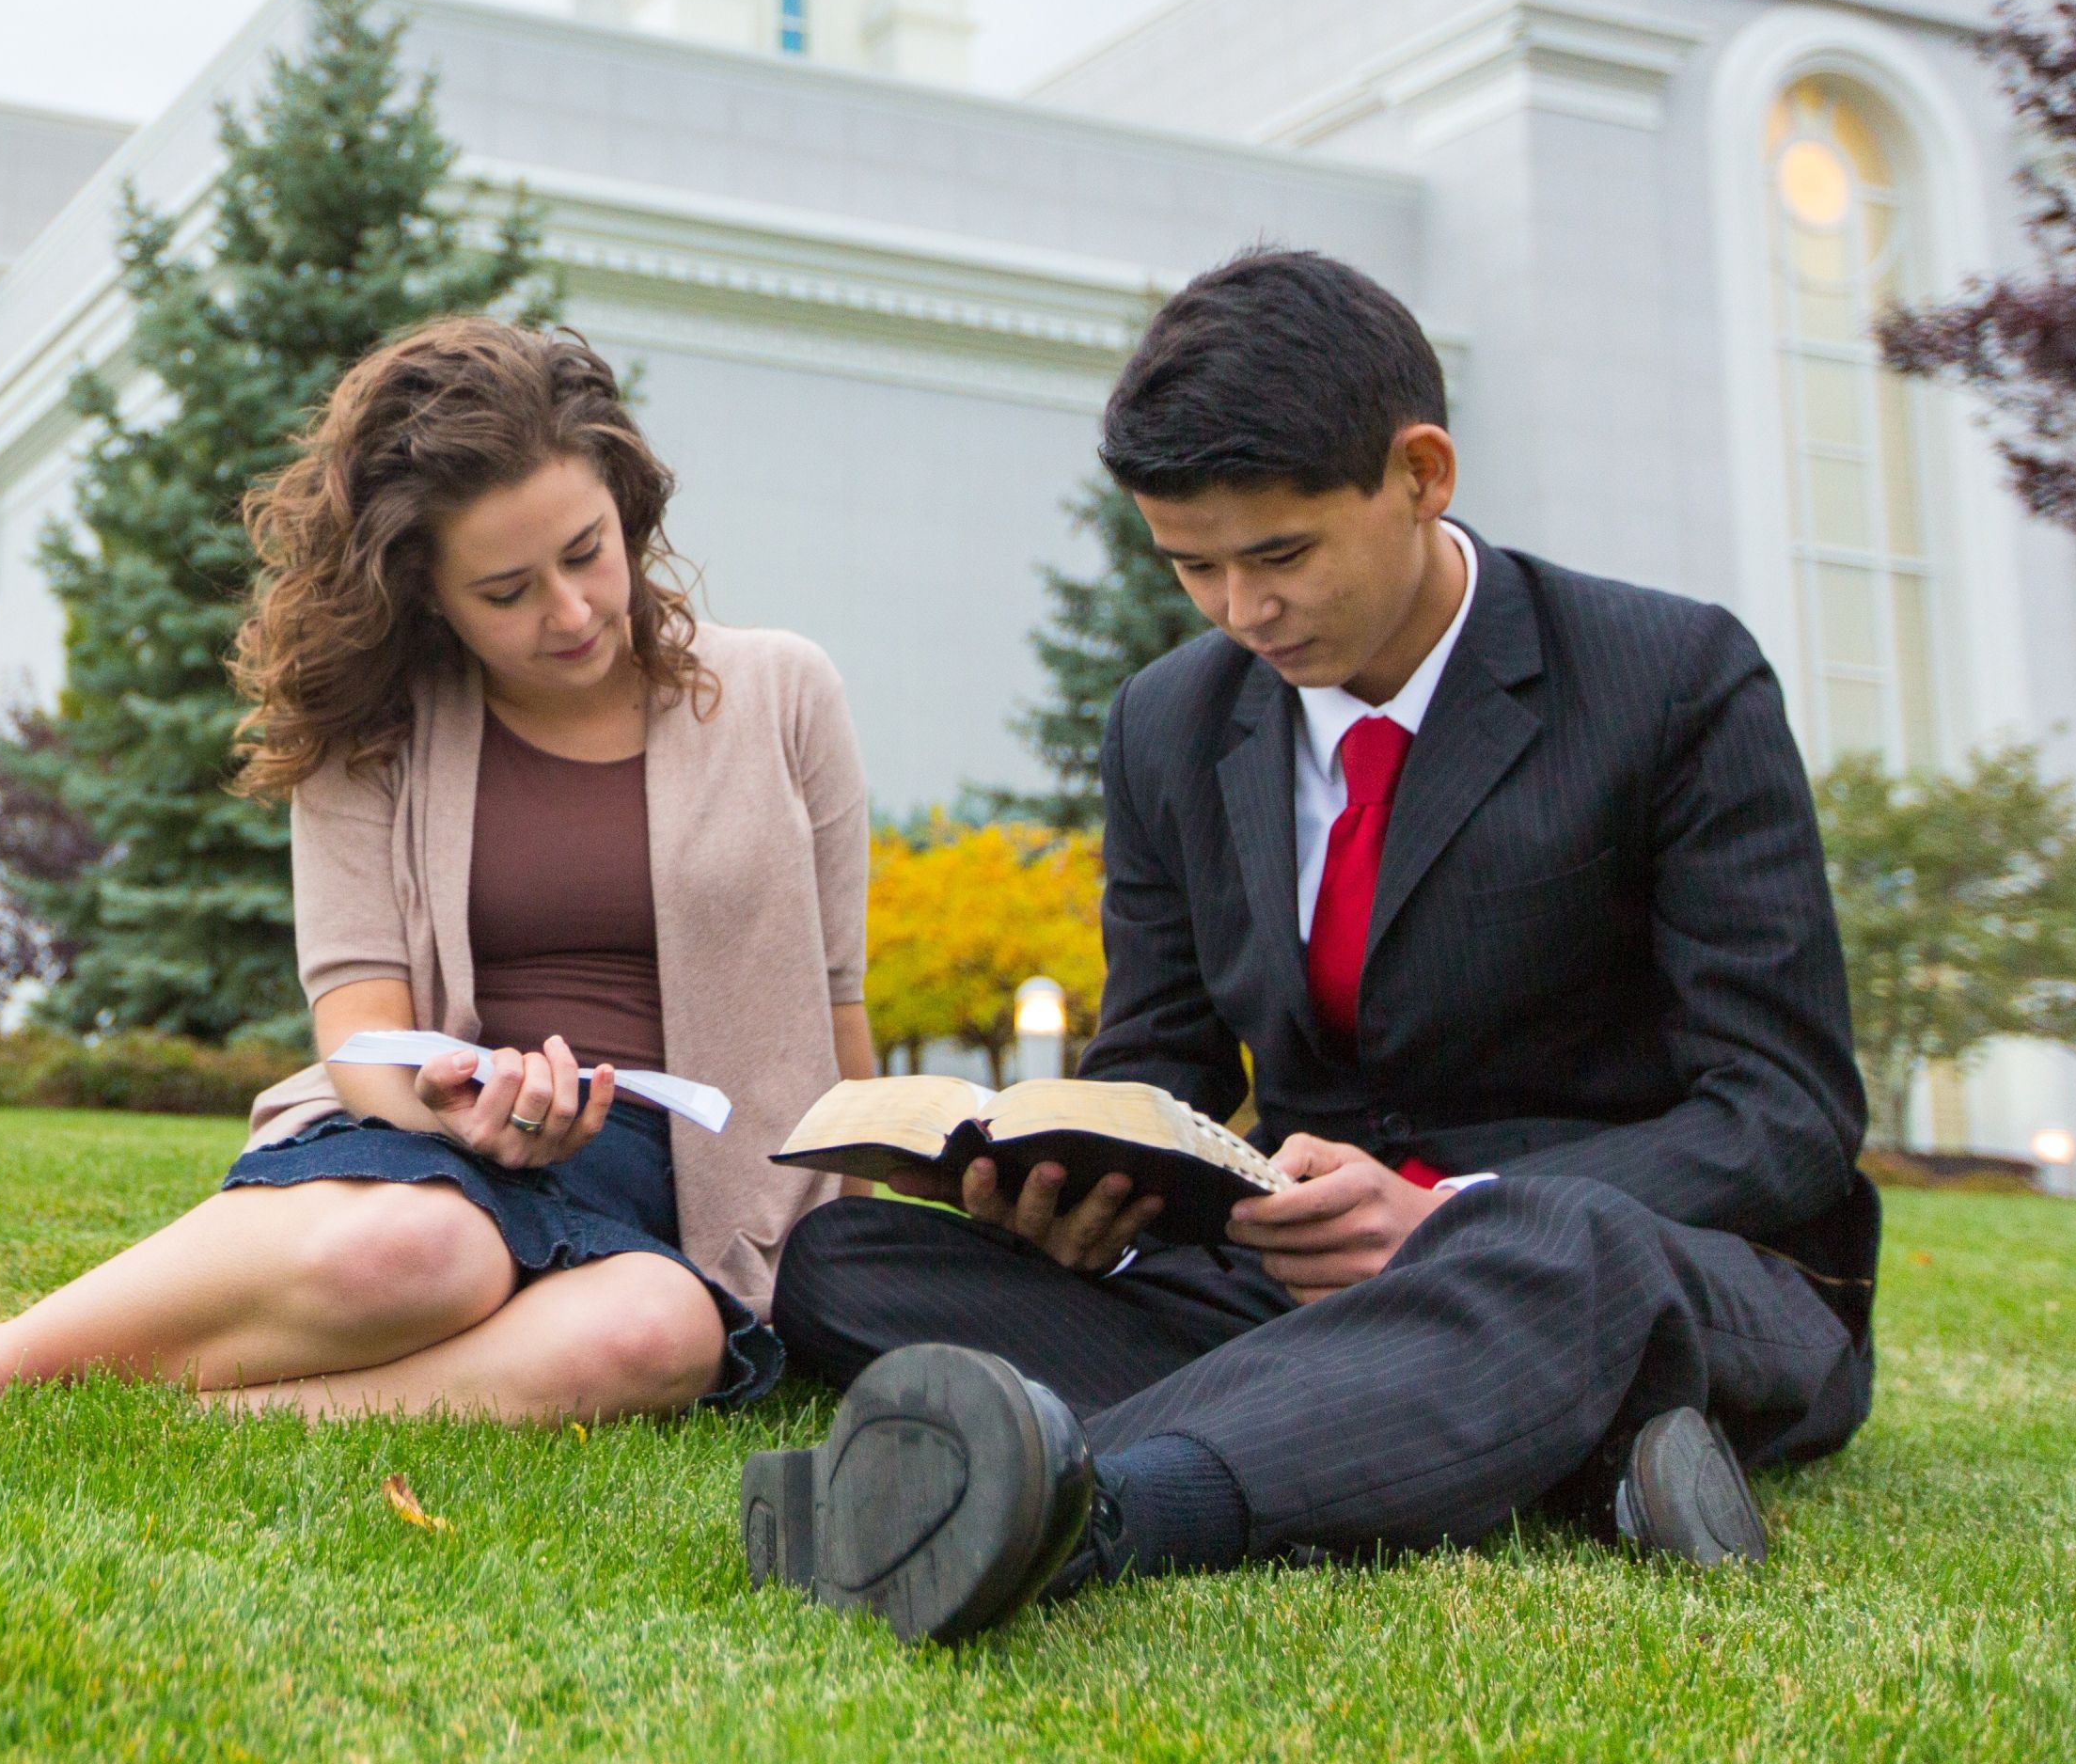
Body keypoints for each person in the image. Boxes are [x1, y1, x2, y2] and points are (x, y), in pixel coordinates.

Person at [752, 247, 1877, 1643]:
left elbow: (1788, 1115)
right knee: (849, 1268)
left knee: (1550, 1249)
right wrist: (1064, 1179)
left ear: (1421, 474)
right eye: (1193, 567)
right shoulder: (1168, 725)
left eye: (1279, 555)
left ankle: (1108, 1504)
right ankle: (1546, 1452)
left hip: (1635, 1262)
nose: (1241, 611)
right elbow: (1160, 1057)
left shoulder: (1674, 680)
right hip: (1297, 1277)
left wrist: (1448, 1210)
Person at [0, 316, 878, 1420]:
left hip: (673, 1205)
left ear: (626, 506)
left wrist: (869, 1263)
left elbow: (837, 1012)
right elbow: (361, 1025)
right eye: (507, 591)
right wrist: (466, 1107)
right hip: (425, 1152)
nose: (571, 611)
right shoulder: (372, 725)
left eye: (587, 553)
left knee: (658, 1334)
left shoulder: (784, 692)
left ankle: (231, 1421)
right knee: (423, 1247)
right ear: (428, 591)